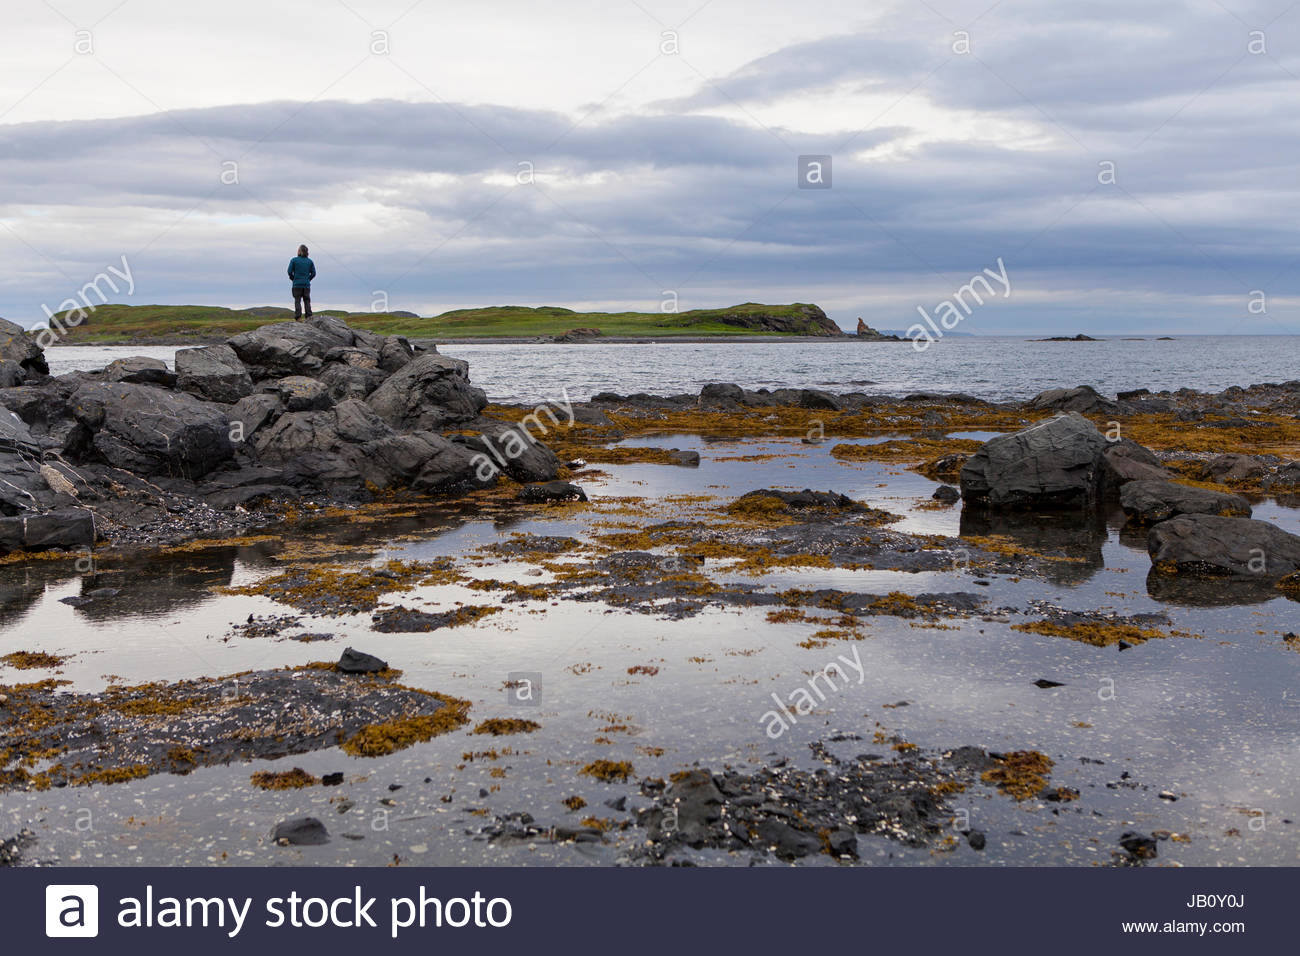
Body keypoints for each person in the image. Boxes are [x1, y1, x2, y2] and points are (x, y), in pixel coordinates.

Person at [287, 244, 316, 319]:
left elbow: (289, 271)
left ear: (299, 251)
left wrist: (293, 278)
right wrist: (308, 279)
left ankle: (298, 317)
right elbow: (314, 273)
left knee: (297, 300)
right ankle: (309, 317)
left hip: (296, 284)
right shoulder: (310, 261)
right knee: (307, 300)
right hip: (306, 285)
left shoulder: (294, 260)